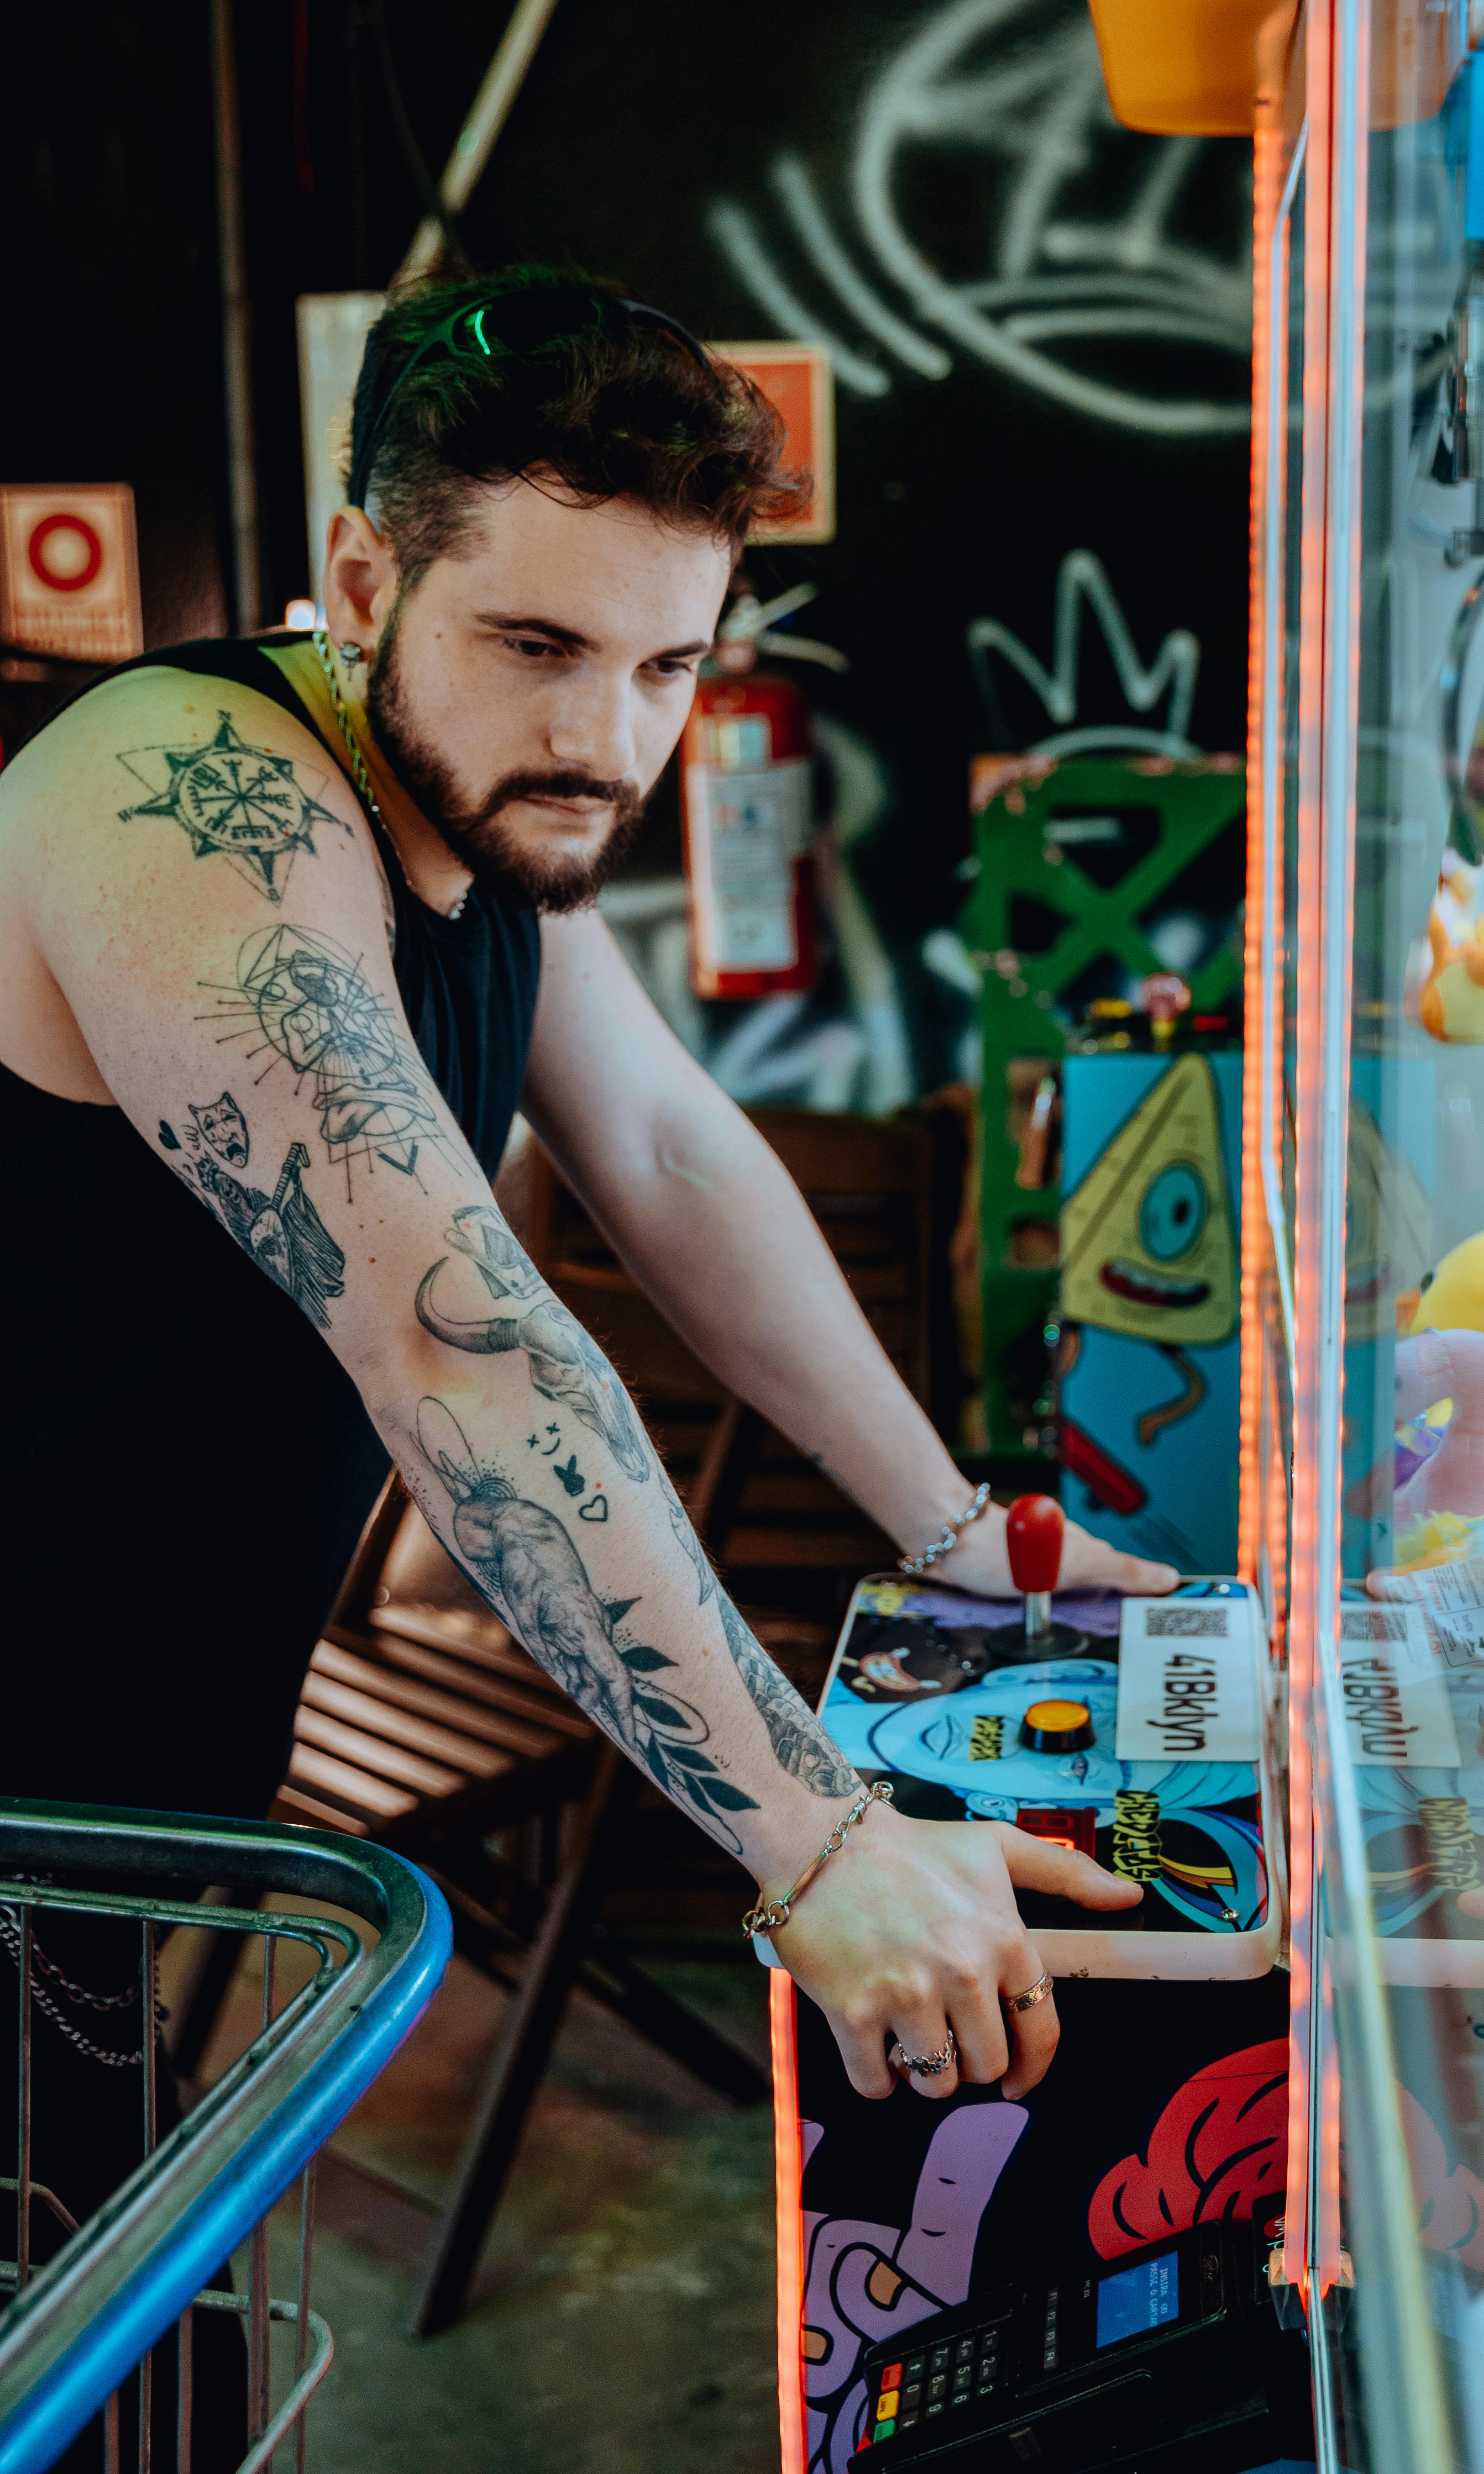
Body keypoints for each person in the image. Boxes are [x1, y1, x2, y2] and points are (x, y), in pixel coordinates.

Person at [0, 262, 1177, 2129]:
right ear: (369, 582)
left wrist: (948, 1527)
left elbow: (670, 1154)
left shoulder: (481, 818)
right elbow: (452, 1345)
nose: (611, 748)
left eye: (666, 666)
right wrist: (816, 1845)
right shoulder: (178, 791)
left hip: (120, 1807)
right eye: (537, 646)